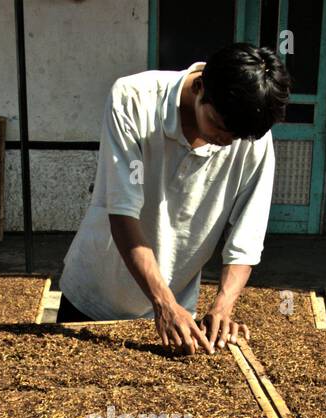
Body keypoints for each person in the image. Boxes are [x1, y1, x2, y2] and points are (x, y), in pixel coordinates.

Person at [57, 43, 290, 355]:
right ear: (199, 87)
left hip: (179, 311)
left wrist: (222, 309)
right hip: (95, 296)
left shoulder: (248, 133)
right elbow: (123, 213)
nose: (224, 142)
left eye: (234, 138)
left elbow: (247, 236)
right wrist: (163, 303)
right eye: (218, 127)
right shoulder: (133, 99)